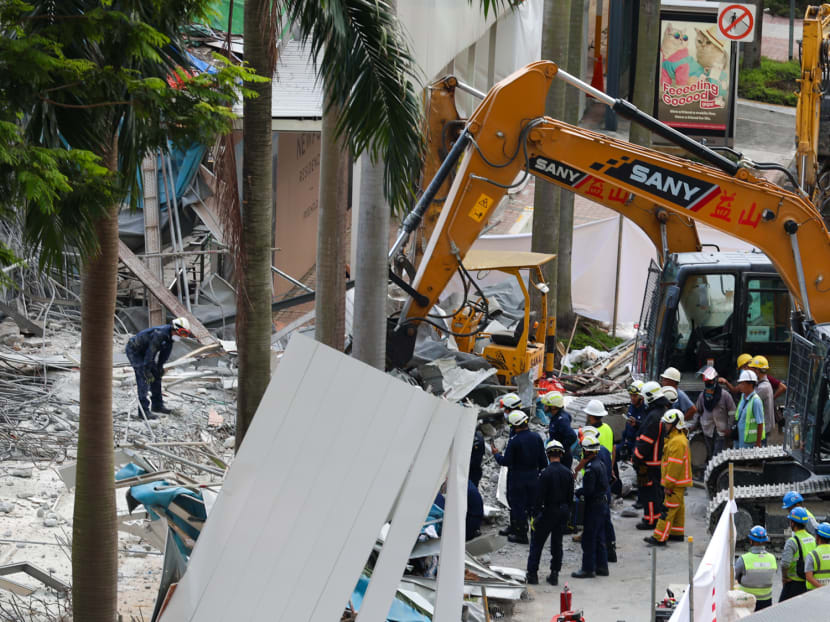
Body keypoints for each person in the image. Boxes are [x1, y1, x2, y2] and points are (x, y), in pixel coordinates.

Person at [491, 411, 547, 543]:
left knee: (517, 505)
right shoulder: (536, 437)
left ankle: (521, 534)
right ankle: (520, 528)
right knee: (530, 506)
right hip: (533, 477)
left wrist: (496, 454)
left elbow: (506, 462)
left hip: (517, 478)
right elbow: (543, 461)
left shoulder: (514, 441)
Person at [125, 317, 193, 418]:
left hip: (146, 351)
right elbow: (151, 352)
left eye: (184, 334)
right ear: (175, 328)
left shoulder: (170, 336)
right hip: (134, 350)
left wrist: (160, 366)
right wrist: (147, 370)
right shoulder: (160, 334)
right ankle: (143, 412)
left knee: (156, 376)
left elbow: (165, 353)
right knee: (144, 378)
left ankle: (157, 405)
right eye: (182, 333)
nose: (181, 336)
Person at [526, 440, 574, 586]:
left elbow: (539, 497)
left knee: (537, 544)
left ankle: (533, 574)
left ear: (547, 454)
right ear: (561, 454)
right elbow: (570, 497)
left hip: (548, 512)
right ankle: (554, 574)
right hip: (562, 512)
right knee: (557, 543)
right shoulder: (568, 473)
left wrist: (534, 515)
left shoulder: (545, 473)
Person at [645, 409, 692, 546]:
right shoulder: (677, 439)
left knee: (668, 509)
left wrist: (668, 485)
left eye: (667, 423)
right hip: (679, 482)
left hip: (674, 483)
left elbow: (674, 466)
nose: (665, 426)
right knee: (678, 508)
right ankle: (676, 533)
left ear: (675, 424)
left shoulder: (677, 442)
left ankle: (659, 537)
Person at [572, 436, 610, 579]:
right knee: (599, 536)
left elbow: (588, 490)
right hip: (602, 504)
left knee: (588, 537)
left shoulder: (590, 469)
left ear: (587, 451)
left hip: (594, 506)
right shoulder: (600, 464)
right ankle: (602, 566)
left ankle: (587, 569)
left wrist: (577, 491)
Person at [633, 381, 670, 529]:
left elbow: (647, 440)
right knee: (656, 492)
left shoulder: (653, 416)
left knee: (649, 492)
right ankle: (656, 517)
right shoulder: (662, 413)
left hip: (650, 462)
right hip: (658, 460)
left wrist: (637, 456)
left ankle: (650, 520)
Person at [689, 367, 735, 461]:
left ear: (715, 381)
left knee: (717, 456)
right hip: (707, 429)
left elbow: (732, 411)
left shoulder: (725, 395)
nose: (708, 384)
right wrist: (693, 425)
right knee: (710, 454)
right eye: (707, 382)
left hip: (721, 430)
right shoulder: (702, 396)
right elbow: (698, 411)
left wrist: (729, 427)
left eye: (710, 381)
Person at [735, 525, 777, 610]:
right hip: (766, 601)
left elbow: (735, 578)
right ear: (765, 541)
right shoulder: (772, 558)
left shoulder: (743, 559)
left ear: (751, 541)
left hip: (747, 601)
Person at [780, 506, 817, 601]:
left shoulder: (792, 541)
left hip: (794, 583)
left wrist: (785, 577)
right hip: (808, 582)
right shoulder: (813, 539)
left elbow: (785, 564)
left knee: (782, 608)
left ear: (792, 523)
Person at [542, 391, 577, 469]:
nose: (544, 407)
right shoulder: (556, 417)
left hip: (561, 458)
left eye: (546, 405)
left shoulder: (561, 420)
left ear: (553, 406)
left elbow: (572, 436)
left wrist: (559, 450)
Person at [735, 369, 765, 448]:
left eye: (742, 384)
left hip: (750, 443)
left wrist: (758, 443)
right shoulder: (743, 396)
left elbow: (760, 423)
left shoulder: (756, 401)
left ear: (750, 384)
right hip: (740, 439)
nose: (740, 386)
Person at [749, 356, 775, 446]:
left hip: (762, 428)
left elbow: (749, 400)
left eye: (752, 370)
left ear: (757, 371)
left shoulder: (763, 387)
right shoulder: (760, 384)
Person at [621, 381, 646, 463]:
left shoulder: (646, 410)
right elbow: (627, 426)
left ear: (641, 396)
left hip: (638, 445)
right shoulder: (632, 406)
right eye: (630, 395)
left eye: (635, 395)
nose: (632, 398)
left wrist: (637, 424)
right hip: (628, 443)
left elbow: (648, 428)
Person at [806, 522, 830, 590]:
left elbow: (809, 577)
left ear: (817, 537)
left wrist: (822, 589)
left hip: (814, 593)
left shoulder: (812, 555)